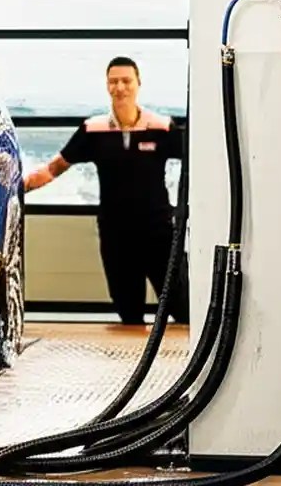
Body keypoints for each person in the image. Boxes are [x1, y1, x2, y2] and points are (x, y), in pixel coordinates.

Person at [23, 56, 189, 326]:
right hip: (116, 233)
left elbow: (196, 161)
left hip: (158, 230)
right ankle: (136, 364)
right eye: (114, 82)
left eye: (126, 81)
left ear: (138, 84)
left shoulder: (160, 127)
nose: (120, 87)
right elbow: (55, 167)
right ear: (107, 86)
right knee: (128, 311)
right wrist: (19, 188)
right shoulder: (93, 130)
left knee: (182, 306)